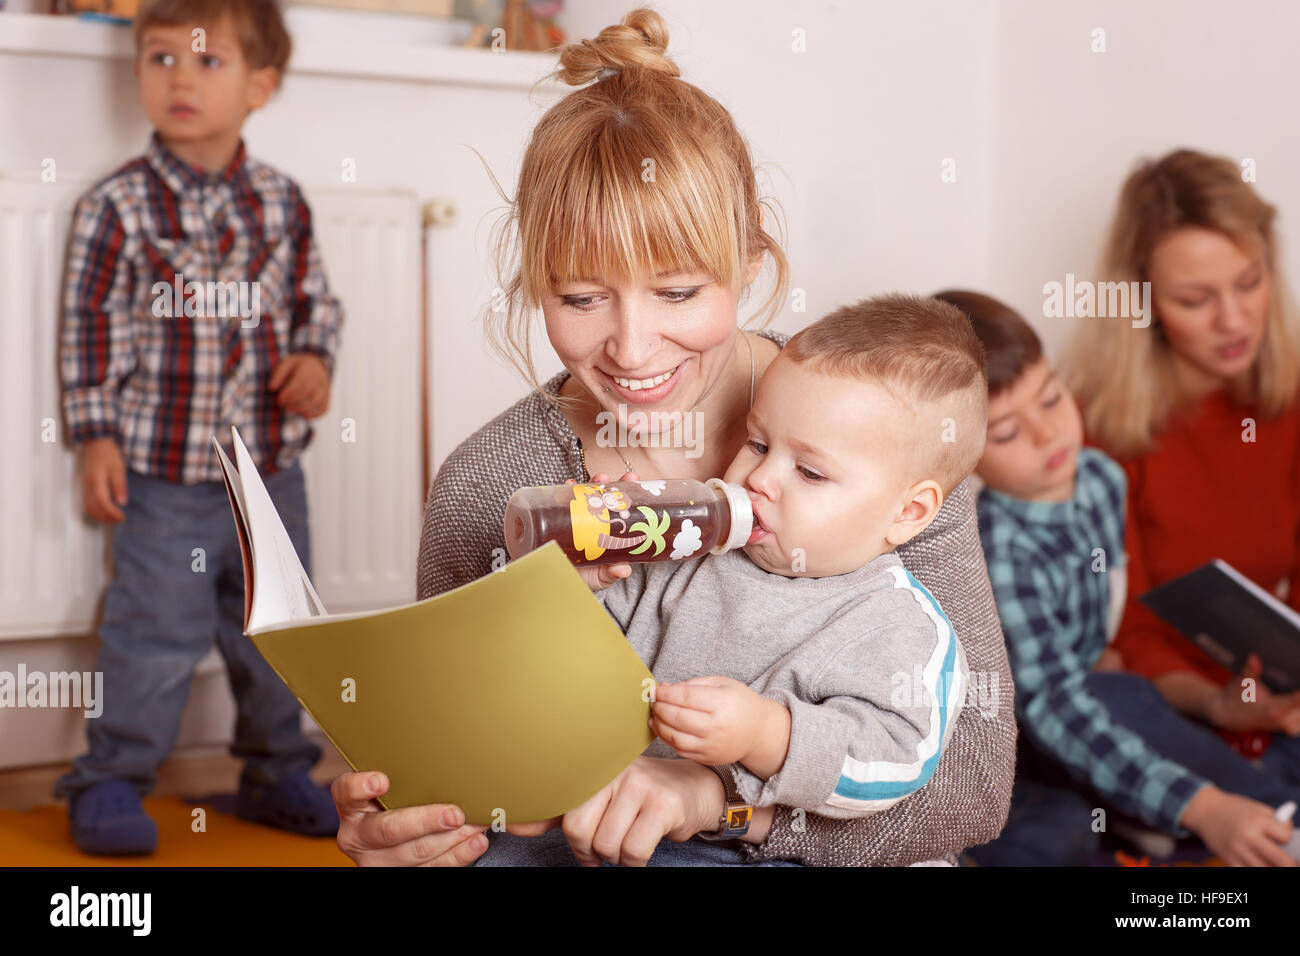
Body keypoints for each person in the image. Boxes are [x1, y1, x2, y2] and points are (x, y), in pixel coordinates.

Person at [331, 7, 1015, 868]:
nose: (632, 348)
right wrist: (405, 825)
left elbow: (971, 788)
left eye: (680, 292)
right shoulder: (492, 482)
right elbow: (460, 752)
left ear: (751, 263)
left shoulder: (878, 435)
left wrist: (718, 802)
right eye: (580, 300)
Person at [475, 295, 981, 865]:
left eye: (809, 472)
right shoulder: (690, 555)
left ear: (908, 513)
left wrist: (767, 736)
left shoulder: (899, 625)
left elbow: (895, 760)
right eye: (759, 443)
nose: (760, 477)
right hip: (624, 818)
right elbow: (575, 666)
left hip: (764, 850)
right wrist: (572, 590)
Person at [55, 0, 342, 854]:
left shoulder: (282, 202)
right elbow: (90, 326)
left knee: (280, 635)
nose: (180, 77)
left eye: (207, 61)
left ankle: (275, 770)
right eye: (159, 57)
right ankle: (108, 780)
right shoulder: (118, 207)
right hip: (163, 478)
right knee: (154, 634)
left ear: (261, 84)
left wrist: (316, 363)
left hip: (268, 475)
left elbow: (314, 305)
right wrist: (94, 434)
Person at [946, 289, 1299, 867]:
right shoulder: (1001, 547)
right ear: (962, 455)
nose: (1047, 434)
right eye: (1008, 433)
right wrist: (1204, 808)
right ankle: (1264, 819)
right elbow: (1053, 704)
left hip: (1092, 714)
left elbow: (1113, 616)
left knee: (1132, 700)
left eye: (1052, 398)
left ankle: (1193, 827)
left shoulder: (1101, 476)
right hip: (1022, 741)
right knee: (1064, 816)